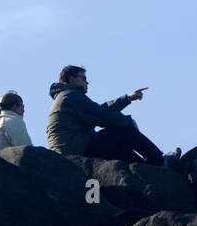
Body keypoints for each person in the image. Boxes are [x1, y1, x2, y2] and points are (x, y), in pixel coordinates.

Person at [45, 65, 181, 169]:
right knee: (122, 131)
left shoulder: (67, 97)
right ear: (72, 79)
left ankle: (147, 169)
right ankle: (159, 161)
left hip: (70, 149)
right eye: (84, 78)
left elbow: (100, 111)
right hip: (77, 149)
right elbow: (102, 117)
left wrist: (127, 98)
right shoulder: (70, 97)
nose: (87, 83)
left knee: (117, 145)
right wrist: (128, 122)